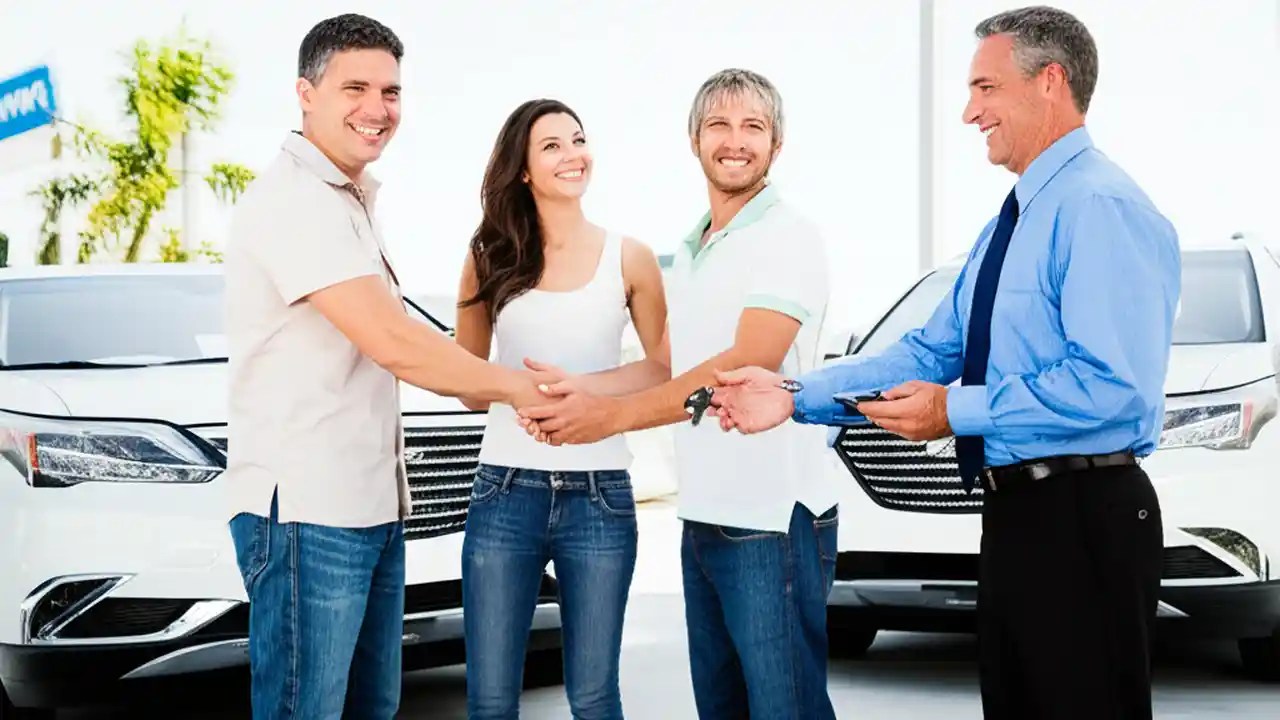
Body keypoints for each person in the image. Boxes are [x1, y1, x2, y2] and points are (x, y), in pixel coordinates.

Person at [711, 7, 1180, 720]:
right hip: (1019, 517)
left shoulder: (1101, 207)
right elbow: (930, 350)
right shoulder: (1009, 223)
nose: (969, 111)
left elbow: (1111, 387)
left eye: (985, 88)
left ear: (1049, 81)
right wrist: (792, 392)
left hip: (1085, 521)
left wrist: (952, 410)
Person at [222, 14, 543, 719]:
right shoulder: (295, 200)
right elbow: (393, 342)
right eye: (356, 87)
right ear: (305, 93)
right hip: (308, 512)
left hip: (367, 507)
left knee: (374, 708)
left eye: (391, 91)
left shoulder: (348, 202)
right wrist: (524, 387)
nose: (378, 109)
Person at [519, 69, 840, 719]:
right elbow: (668, 363)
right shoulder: (693, 250)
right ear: (694, 140)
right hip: (705, 515)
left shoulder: (789, 237)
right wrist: (573, 389)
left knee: (787, 708)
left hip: (772, 518)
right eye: (719, 125)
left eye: (754, 126)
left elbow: (744, 364)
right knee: (720, 708)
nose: (736, 141)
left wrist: (609, 419)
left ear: (777, 146)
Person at [453, 98, 670, 719]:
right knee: (491, 700)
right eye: (551, 145)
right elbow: (469, 384)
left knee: (595, 696)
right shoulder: (486, 255)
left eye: (577, 139)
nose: (573, 154)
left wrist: (582, 388)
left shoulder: (631, 256)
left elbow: (662, 368)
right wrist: (523, 391)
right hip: (503, 493)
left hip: (600, 496)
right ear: (522, 168)